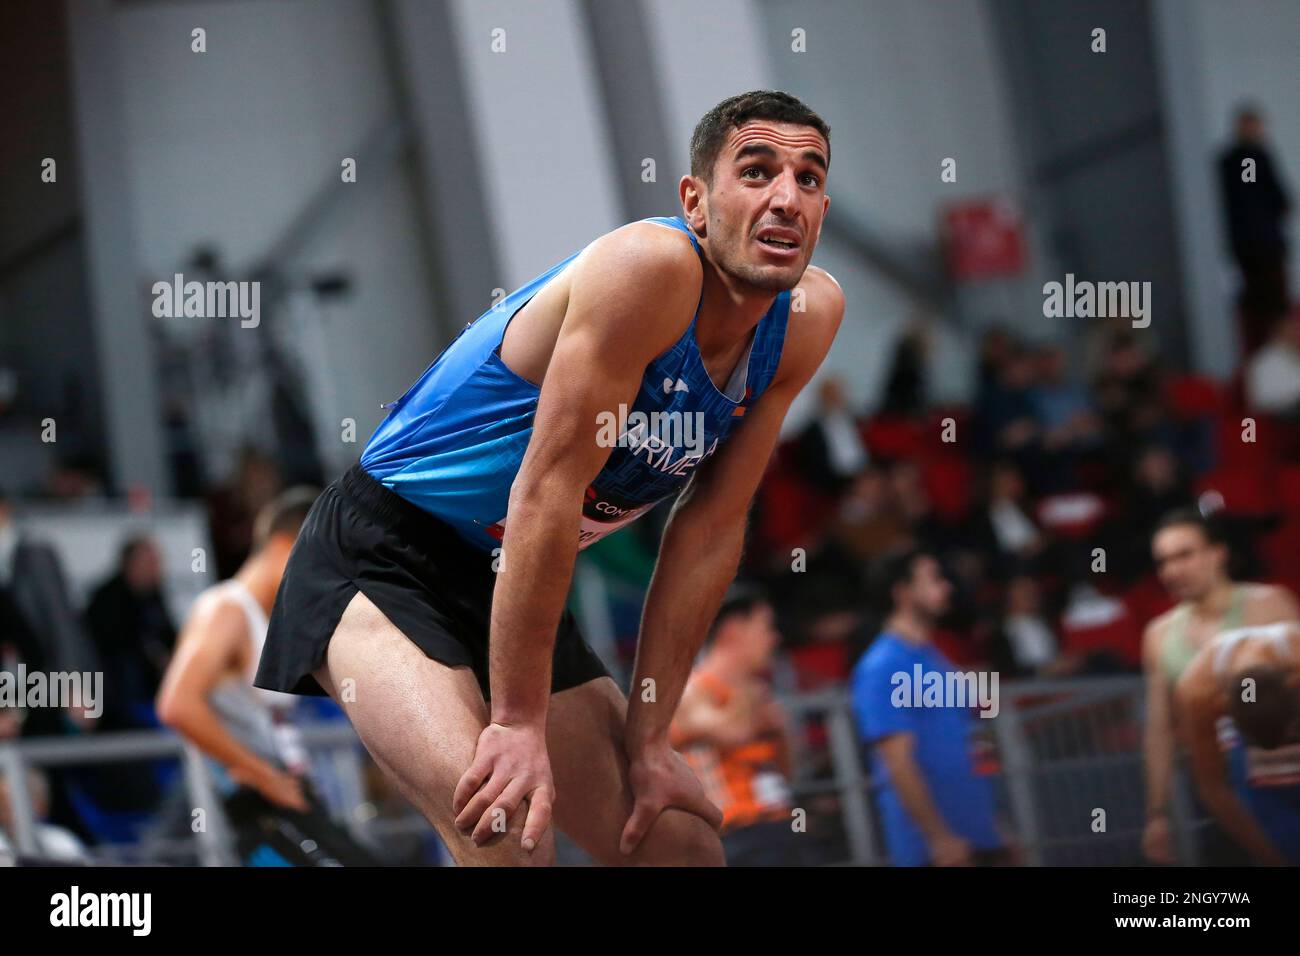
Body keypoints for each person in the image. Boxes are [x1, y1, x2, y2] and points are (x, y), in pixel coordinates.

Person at [254, 89, 844, 866]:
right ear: (695, 203)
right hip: (384, 558)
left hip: (514, 573)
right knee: (504, 827)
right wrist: (519, 724)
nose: (785, 197)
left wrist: (653, 738)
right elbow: (546, 493)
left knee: (679, 844)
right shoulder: (651, 268)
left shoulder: (807, 317)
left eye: (808, 178)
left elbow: (708, 529)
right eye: (758, 170)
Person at [158, 487, 377, 866]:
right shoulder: (223, 610)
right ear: (282, 545)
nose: (325, 576)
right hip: (253, 802)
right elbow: (176, 705)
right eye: (321, 559)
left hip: (284, 790)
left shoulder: (272, 616)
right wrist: (260, 774)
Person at [1140, 508, 1299, 864]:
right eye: (1163, 561)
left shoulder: (1270, 605)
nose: (1173, 570)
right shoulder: (1159, 635)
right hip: (1220, 784)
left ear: (1218, 552)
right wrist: (1156, 814)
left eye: (1185, 554)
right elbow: (1159, 730)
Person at [850, 548, 1007, 866]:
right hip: (934, 850)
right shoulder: (882, 666)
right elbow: (897, 763)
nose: (946, 587)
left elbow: (973, 741)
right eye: (934, 579)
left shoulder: (937, 659)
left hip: (977, 838)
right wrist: (938, 838)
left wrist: (994, 822)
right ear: (903, 593)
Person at [670, 587, 806, 865]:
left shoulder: (757, 692)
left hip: (780, 822)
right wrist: (748, 686)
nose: (774, 638)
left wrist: (780, 731)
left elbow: (789, 774)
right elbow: (733, 732)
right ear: (734, 630)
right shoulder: (690, 692)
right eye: (766, 627)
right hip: (735, 836)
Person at [1174, 622, 1300, 864]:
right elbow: (1213, 787)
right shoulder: (1198, 692)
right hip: (1254, 774)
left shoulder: (1295, 658)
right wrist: (1272, 859)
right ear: (1222, 708)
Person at [1217, 105, 1293, 354]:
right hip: (1258, 247)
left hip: (1259, 245)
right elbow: (1252, 196)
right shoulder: (1247, 159)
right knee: (1267, 306)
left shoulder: (1248, 158)